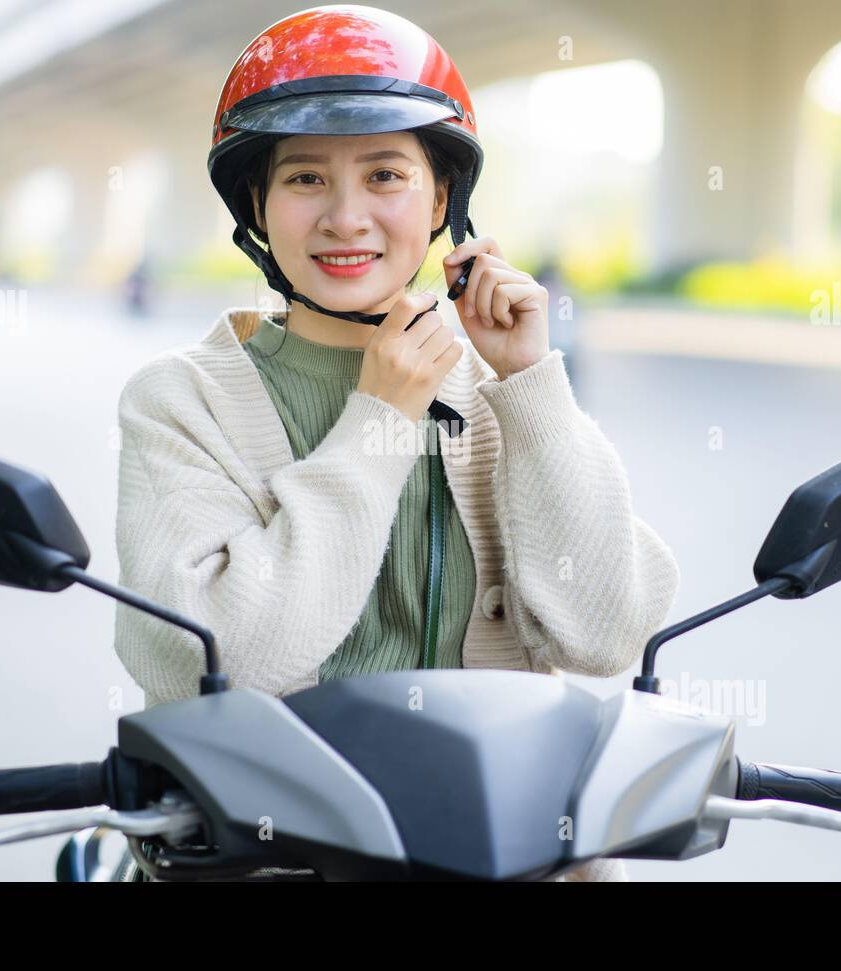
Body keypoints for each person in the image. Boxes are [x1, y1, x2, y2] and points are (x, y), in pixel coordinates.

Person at [112, 5, 680, 882]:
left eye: (386, 174)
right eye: (305, 180)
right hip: (273, 856)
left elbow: (606, 632)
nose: (347, 217)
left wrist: (529, 385)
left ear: (442, 199)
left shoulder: (495, 392)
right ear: (256, 204)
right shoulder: (181, 401)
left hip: (512, 850)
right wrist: (377, 422)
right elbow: (205, 663)